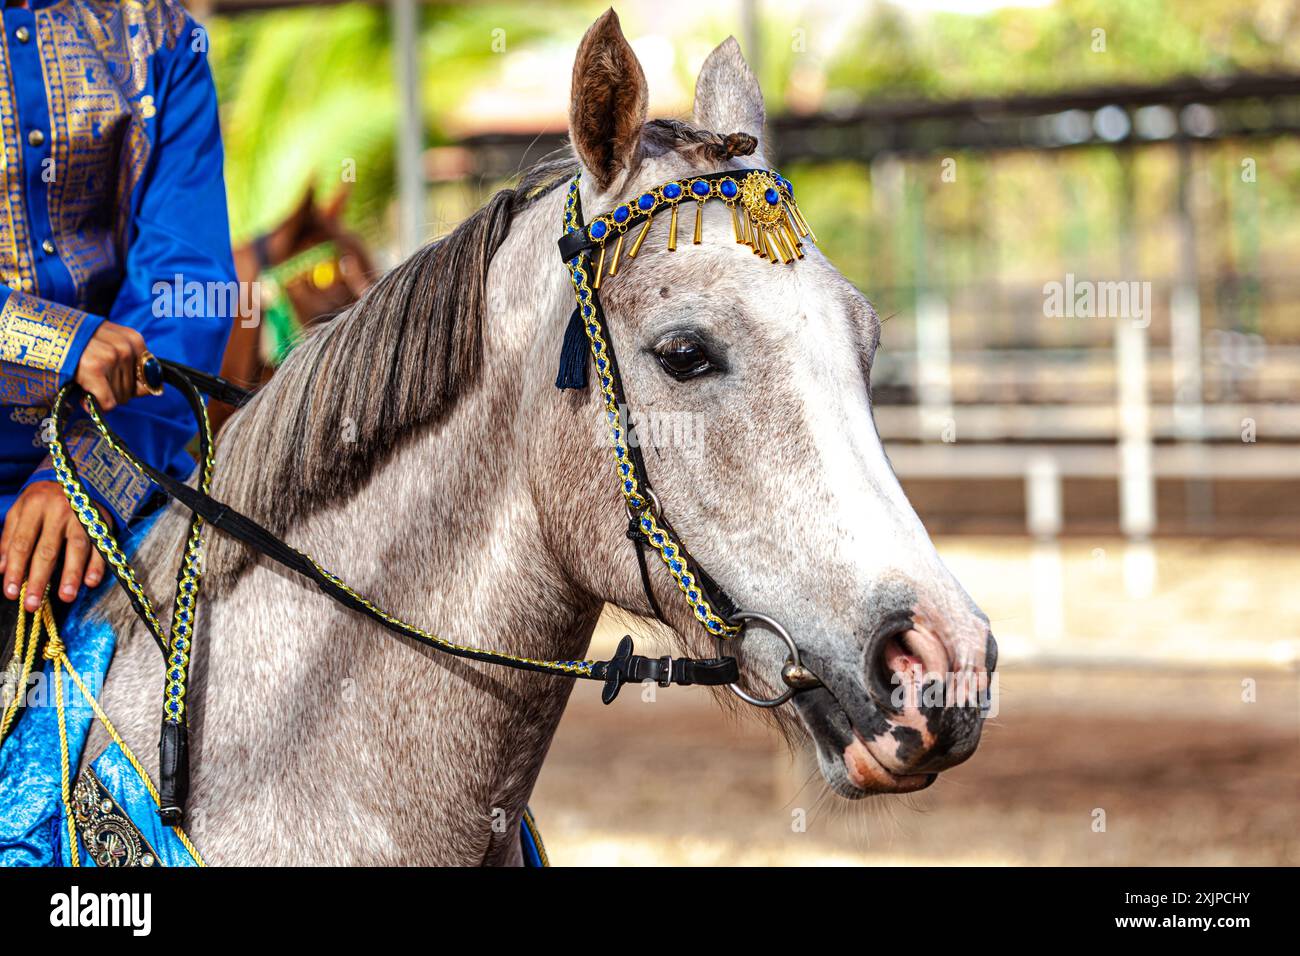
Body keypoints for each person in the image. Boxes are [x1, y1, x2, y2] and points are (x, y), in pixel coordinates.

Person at [0, 0, 235, 654]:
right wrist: (55, 340)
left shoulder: (159, 36)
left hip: (119, 457)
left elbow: (187, 283)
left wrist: (83, 472)